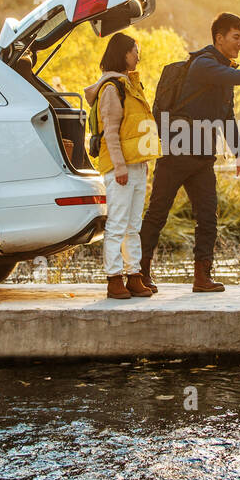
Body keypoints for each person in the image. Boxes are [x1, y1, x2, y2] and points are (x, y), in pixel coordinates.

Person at [137, 12, 240, 292]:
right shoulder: (203, 64)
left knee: (208, 217)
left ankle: (202, 277)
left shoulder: (225, 73)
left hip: (202, 156)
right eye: (236, 37)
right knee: (158, 213)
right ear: (219, 38)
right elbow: (237, 77)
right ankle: (140, 273)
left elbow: (227, 117)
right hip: (177, 151)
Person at [84, 33, 161, 300]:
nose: (137, 56)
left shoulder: (129, 85)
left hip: (137, 165)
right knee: (117, 224)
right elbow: (112, 132)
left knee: (132, 226)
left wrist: (143, 164)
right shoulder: (111, 89)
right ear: (122, 53)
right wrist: (119, 167)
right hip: (121, 167)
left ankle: (134, 276)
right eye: (134, 51)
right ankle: (114, 279)